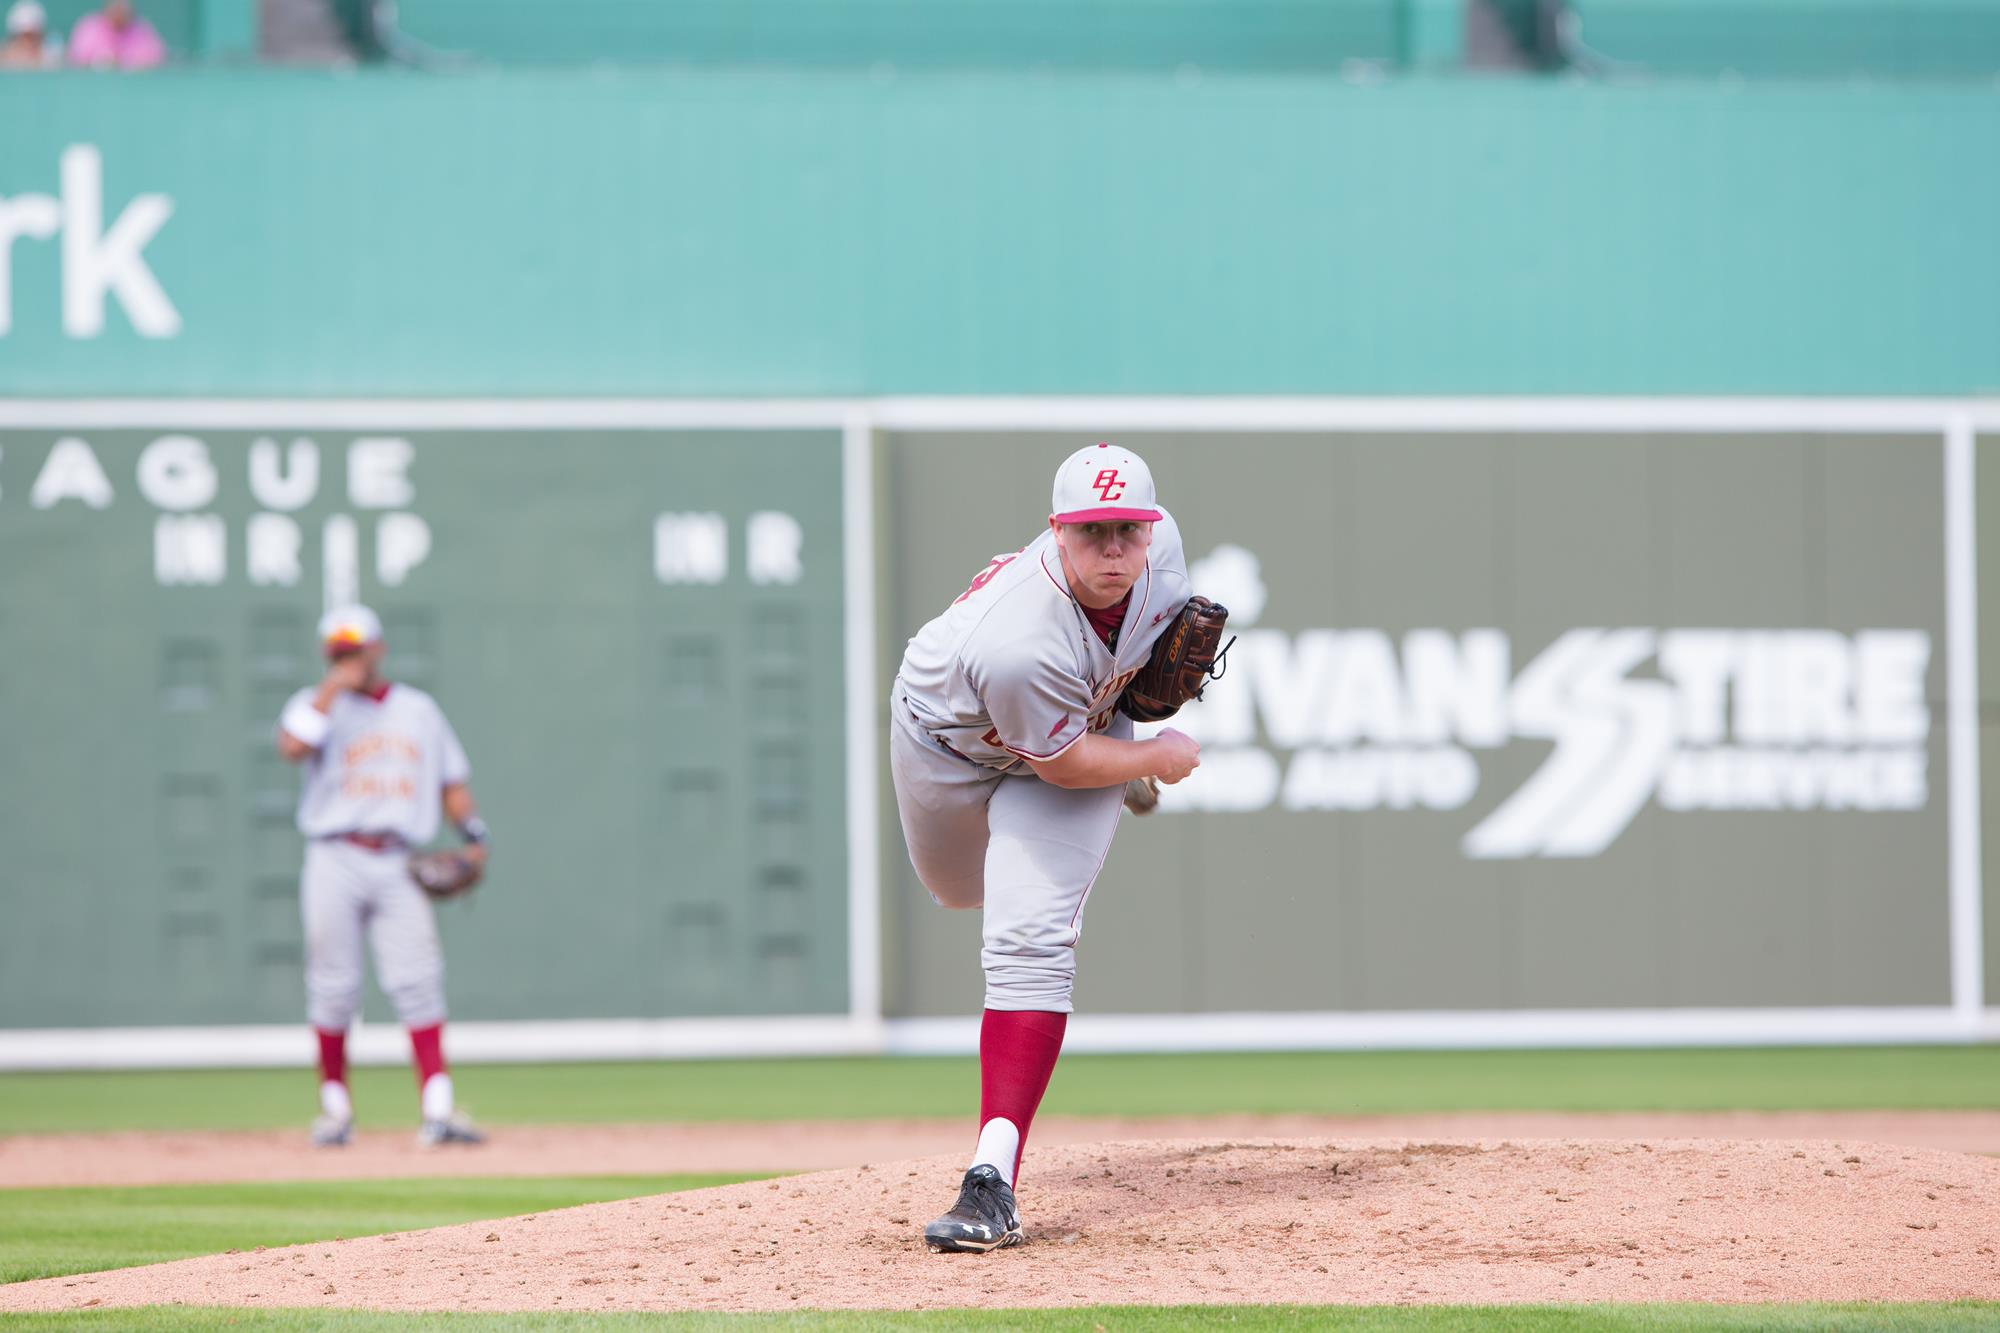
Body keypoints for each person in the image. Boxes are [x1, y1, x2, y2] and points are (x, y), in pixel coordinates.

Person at [890, 443, 1203, 1252]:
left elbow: (1072, 750)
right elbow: (1061, 763)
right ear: (1056, 533)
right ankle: (1121, 765)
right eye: (1092, 531)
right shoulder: (1016, 639)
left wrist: (1123, 705)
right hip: (949, 747)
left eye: (1128, 531)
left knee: (1026, 942)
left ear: (1152, 528)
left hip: (1071, 739)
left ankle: (991, 1179)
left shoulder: (1162, 556)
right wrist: (1152, 756)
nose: (1114, 550)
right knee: (961, 891)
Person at [275, 605, 490, 1149]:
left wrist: (474, 835)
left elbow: (451, 781)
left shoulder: (417, 709)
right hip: (334, 854)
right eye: (337, 653)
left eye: (355, 651)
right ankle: (334, 1111)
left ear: (378, 649)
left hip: (398, 857)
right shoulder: (315, 706)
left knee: (418, 979)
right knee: (333, 985)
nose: (348, 661)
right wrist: (330, 689)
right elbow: (291, 746)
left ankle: (437, 1111)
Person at [66, 0, 163, 68]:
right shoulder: (90, 27)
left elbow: (156, 59)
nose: (119, 12)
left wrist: (123, 62)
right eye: (115, 7)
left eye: (122, 8)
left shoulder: (142, 30)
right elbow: (76, 58)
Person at [1, 2, 59, 68]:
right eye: (24, 36)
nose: (28, 42)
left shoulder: (51, 55)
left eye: (33, 36)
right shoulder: (4, 55)